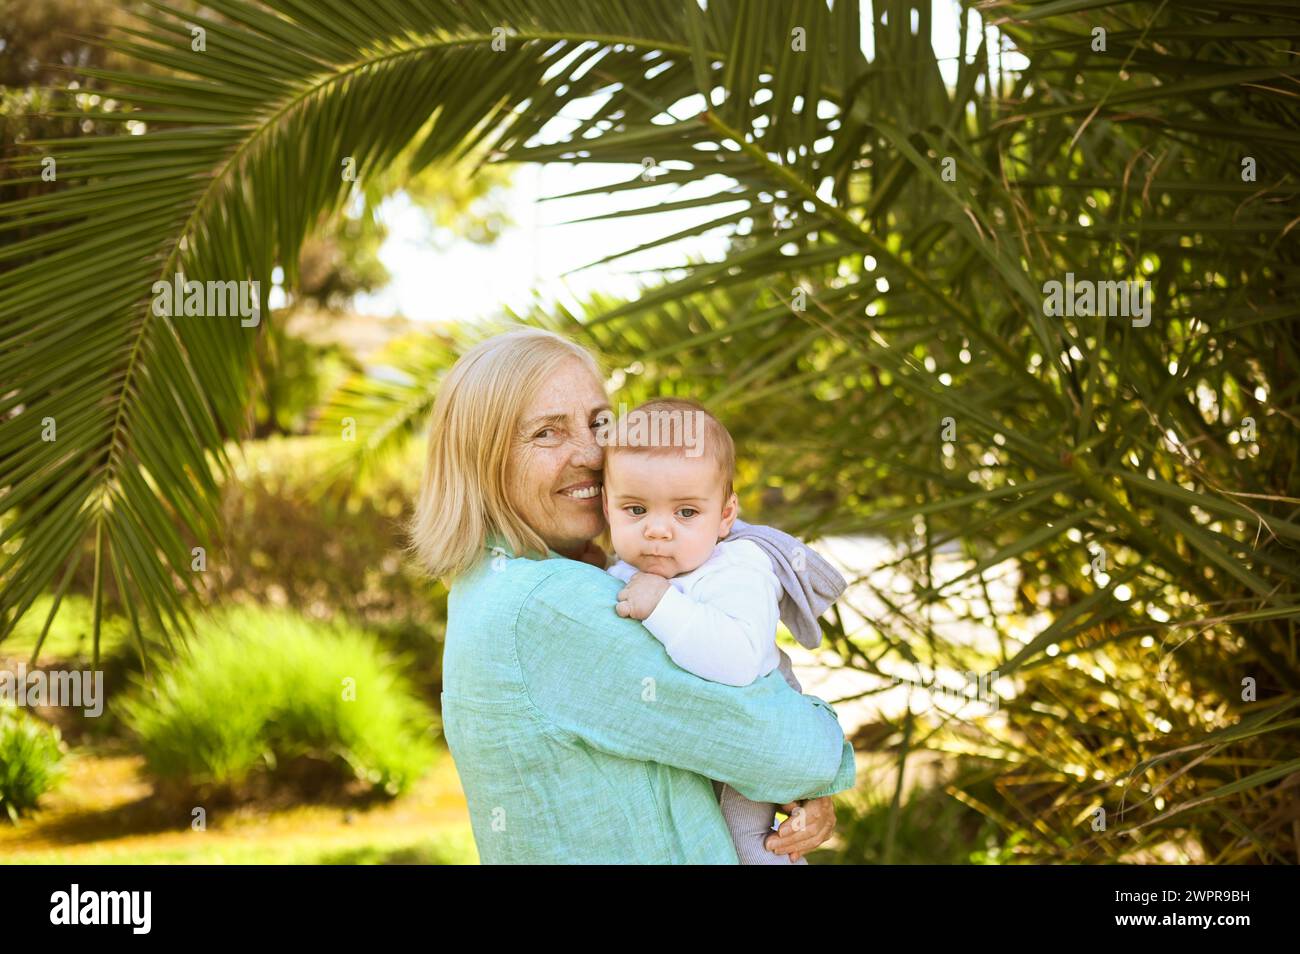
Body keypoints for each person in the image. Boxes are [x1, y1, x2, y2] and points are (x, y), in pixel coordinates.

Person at [411, 326, 856, 863]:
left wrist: (794, 786)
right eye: (547, 433)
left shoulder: (491, 584)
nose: (594, 455)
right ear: (481, 459)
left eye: (600, 423)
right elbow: (787, 753)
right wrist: (817, 770)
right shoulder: (551, 604)